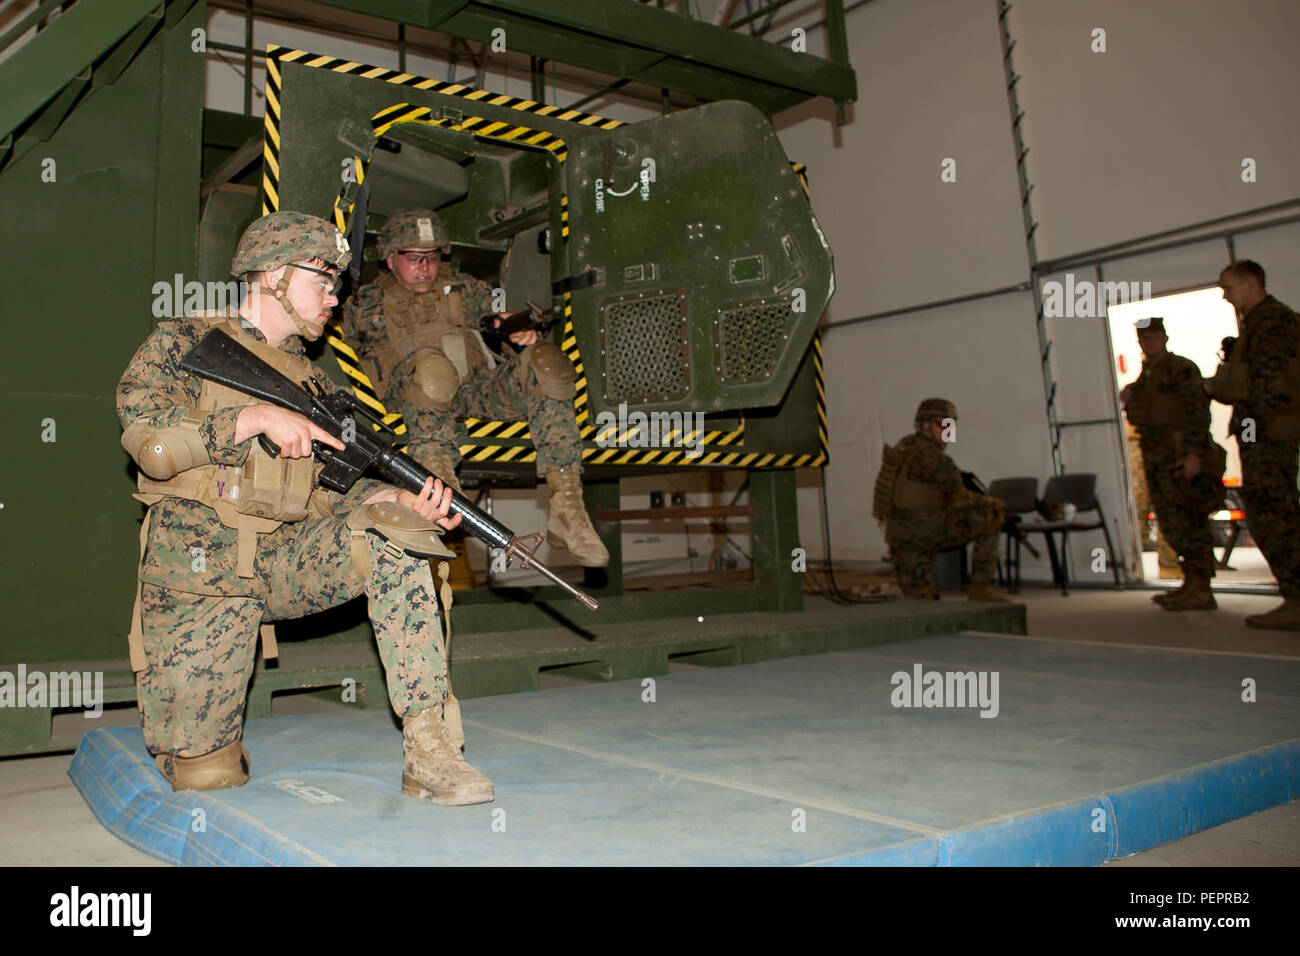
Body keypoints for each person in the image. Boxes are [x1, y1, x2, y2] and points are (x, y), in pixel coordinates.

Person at [117, 210, 494, 805]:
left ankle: (431, 748)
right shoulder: (184, 341)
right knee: (207, 776)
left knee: (393, 531)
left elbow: (325, 494)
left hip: (282, 562)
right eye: (323, 280)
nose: (335, 297)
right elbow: (152, 446)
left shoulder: (313, 384)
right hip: (199, 574)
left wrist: (392, 496)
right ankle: (206, 740)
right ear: (270, 276)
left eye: (338, 284)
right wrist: (250, 419)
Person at [338, 208, 608, 566]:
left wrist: (518, 332)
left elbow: (500, 319)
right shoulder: (362, 302)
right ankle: (445, 496)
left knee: (546, 362)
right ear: (390, 257)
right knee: (431, 368)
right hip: (409, 399)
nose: (426, 266)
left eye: (433, 257)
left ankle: (568, 508)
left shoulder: (466, 289)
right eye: (415, 258)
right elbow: (338, 361)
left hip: (472, 391)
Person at [1212, 260, 1300, 629]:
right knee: (1267, 513)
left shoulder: (1273, 322)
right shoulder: (1256, 324)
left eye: (1228, 287)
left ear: (1251, 284)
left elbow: (1273, 386)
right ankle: (1293, 595)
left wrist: (1229, 387)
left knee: (1275, 515)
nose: (1225, 294)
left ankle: (1296, 598)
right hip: (1257, 432)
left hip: (1269, 435)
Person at [1120, 317, 1222, 610]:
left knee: (1189, 518)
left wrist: (1193, 454)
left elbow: (1197, 414)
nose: (1147, 343)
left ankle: (1202, 586)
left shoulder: (1181, 369)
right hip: (1156, 458)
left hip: (1178, 456)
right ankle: (1190, 582)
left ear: (1164, 338)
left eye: (1152, 338)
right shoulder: (1148, 373)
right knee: (1170, 521)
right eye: (1143, 339)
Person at [875, 398, 1010, 602]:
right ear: (925, 425)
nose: (948, 432)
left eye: (951, 426)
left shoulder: (903, 446)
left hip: (900, 538)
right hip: (925, 533)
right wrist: (991, 503)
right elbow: (960, 498)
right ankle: (980, 588)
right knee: (990, 515)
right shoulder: (934, 457)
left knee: (922, 599)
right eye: (943, 424)